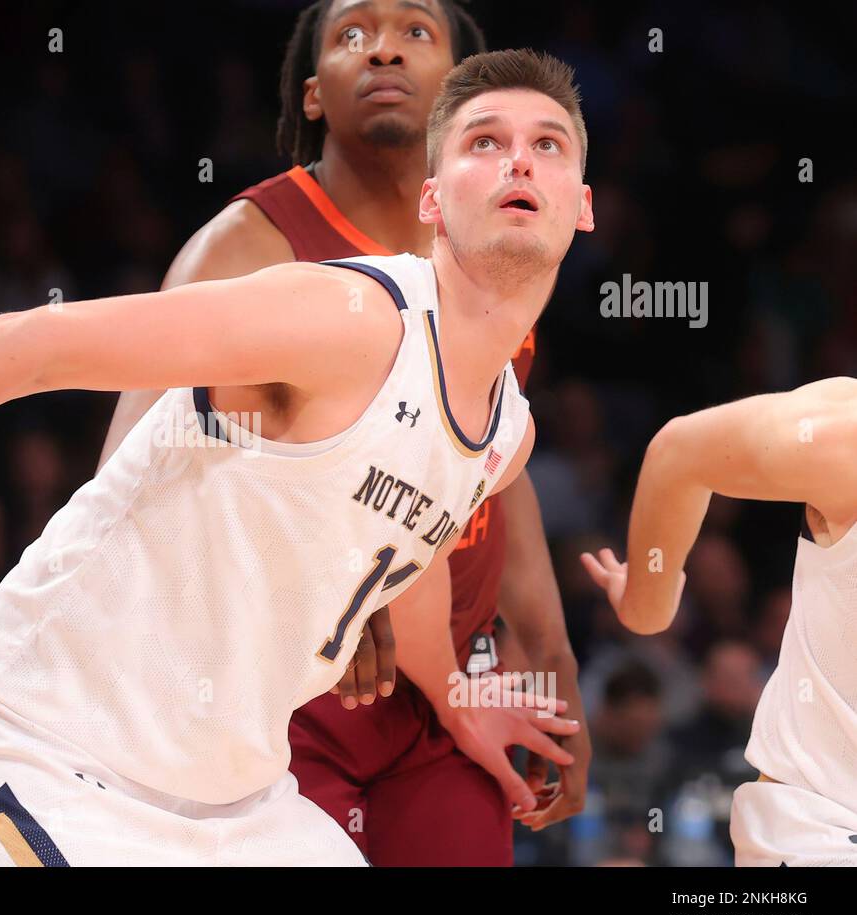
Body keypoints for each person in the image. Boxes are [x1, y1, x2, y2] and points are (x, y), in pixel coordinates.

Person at [0, 49, 593, 866]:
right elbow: (48, 346)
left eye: (548, 145)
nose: (518, 159)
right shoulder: (345, 321)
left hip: (242, 805)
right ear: (433, 197)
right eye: (484, 140)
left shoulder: (506, 433)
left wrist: (458, 698)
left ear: (582, 205)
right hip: (54, 751)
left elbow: (413, 561)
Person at [95, 0, 589, 864]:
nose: (384, 49)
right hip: (281, 688)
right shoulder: (251, 249)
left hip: (448, 687)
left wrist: (551, 660)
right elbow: (133, 488)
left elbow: (491, 472)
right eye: (353, 34)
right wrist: (329, 585)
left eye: (415, 32)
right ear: (313, 92)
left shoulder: (496, 256)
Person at [581, 376, 857, 866]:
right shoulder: (846, 435)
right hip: (828, 833)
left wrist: (645, 604)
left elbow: (679, 451)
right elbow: (680, 451)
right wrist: (648, 604)